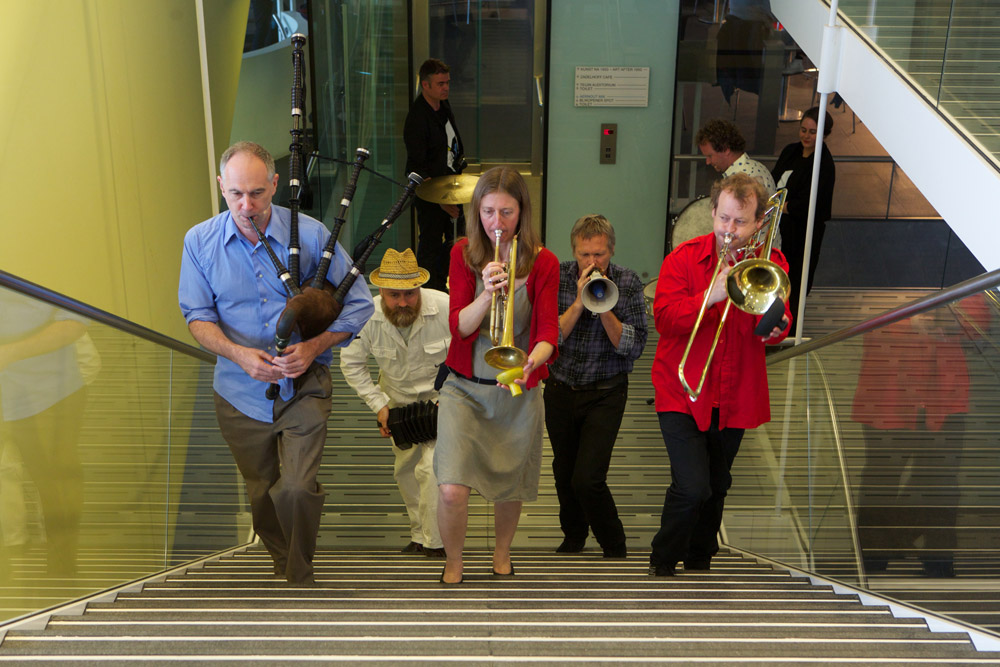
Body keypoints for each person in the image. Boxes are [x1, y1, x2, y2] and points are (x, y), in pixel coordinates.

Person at [178, 141, 374, 585]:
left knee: (297, 488)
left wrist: (315, 345)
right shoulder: (199, 242)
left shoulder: (310, 234)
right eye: (235, 195)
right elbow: (197, 316)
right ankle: (283, 558)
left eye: (256, 193)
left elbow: (359, 304)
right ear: (220, 188)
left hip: (305, 383)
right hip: (237, 391)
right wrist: (240, 355)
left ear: (274, 184)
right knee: (261, 491)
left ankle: (298, 569)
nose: (246, 206)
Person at [649, 172, 791, 577]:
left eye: (740, 222)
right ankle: (662, 559)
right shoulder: (683, 258)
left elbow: (775, 330)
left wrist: (774, 319)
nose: (730, 230)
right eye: (724, 219)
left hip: (733, 393)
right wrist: (712, 293)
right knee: (692, 485)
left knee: (717, 483)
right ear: (712, 212)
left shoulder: (770, 264)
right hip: (681, 389)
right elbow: (664, 319)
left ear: (759, 223)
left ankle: (699, 559)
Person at [435, 166, 559, 584]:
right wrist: (487, 292)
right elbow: (460, 327)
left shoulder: (544, 262)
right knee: (452, 486)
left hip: (516, 390)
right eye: (488, 212)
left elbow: (547, 333)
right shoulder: (462, 254)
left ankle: (501, 553)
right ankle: (454, 561)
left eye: (507, 212)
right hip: (464, 389)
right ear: (477, 211)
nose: (497, 223)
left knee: (510, 485)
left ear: (523, 212)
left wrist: (533, 361)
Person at [851, 295, 991, 578]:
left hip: (945, 393)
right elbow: (861, 313)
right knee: (882, 477)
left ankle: (933, 556)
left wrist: (946, 319)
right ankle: (873, 557)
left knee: (943, 481)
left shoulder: (958, 265)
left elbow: (978, 319)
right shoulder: (881, 271)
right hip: (889, 388)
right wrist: (912, 319)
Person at [543, 215, 647, 558]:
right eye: (585, 255)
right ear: (574, 251)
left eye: (599, 255)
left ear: (611, 251)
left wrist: (603, 304)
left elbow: (634, 346)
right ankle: (573, 537)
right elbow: (549, 339)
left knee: (588, 477)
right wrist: (579, 300)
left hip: (606, 391)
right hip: (560, 388)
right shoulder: (558, 276)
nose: (592, 263)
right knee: (563, 470)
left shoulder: (629, 282)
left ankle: (614, 544)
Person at [339, 248, 451, 558]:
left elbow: (467, 355)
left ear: (419, 288)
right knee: (406, 472)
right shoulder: (366, 315)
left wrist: (456, 399)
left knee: (432, 469)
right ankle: (420, 535)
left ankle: (436, 543)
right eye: (394, 295)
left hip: (441, 402)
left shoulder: (444, 306)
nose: (402, 302)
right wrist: (379, 405)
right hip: (398, 405)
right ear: (381, 292)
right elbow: (351, 362)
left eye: (409, 294)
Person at [771, 106, 836, 333]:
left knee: (795, 282)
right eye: (803, 129)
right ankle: (770, 327)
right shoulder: (790, 151)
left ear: (824, 134)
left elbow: (813, 205)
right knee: (775, 277)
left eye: (813, 132)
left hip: (802, 234)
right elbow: (773, 180)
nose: (806, 136)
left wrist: (782, 205)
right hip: (780, 227)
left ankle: (788, 333)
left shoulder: (824, 165)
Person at [404, 58, 465, 292]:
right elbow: (418, 168)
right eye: (440, 83)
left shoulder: (443, 106)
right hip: (431, 196)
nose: (446, 87)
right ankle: (429, 291)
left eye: (447, 82)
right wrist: (441, 202)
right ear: (425, 85)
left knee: (458, 241)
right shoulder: (417, 119)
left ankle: (441, 284)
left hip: (451, 186)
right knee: (430, 244)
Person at [696, 119, 776, 195]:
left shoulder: (744, 182)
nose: (707, 162)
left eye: (710, 156)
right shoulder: (756, 166)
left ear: (726, 149)